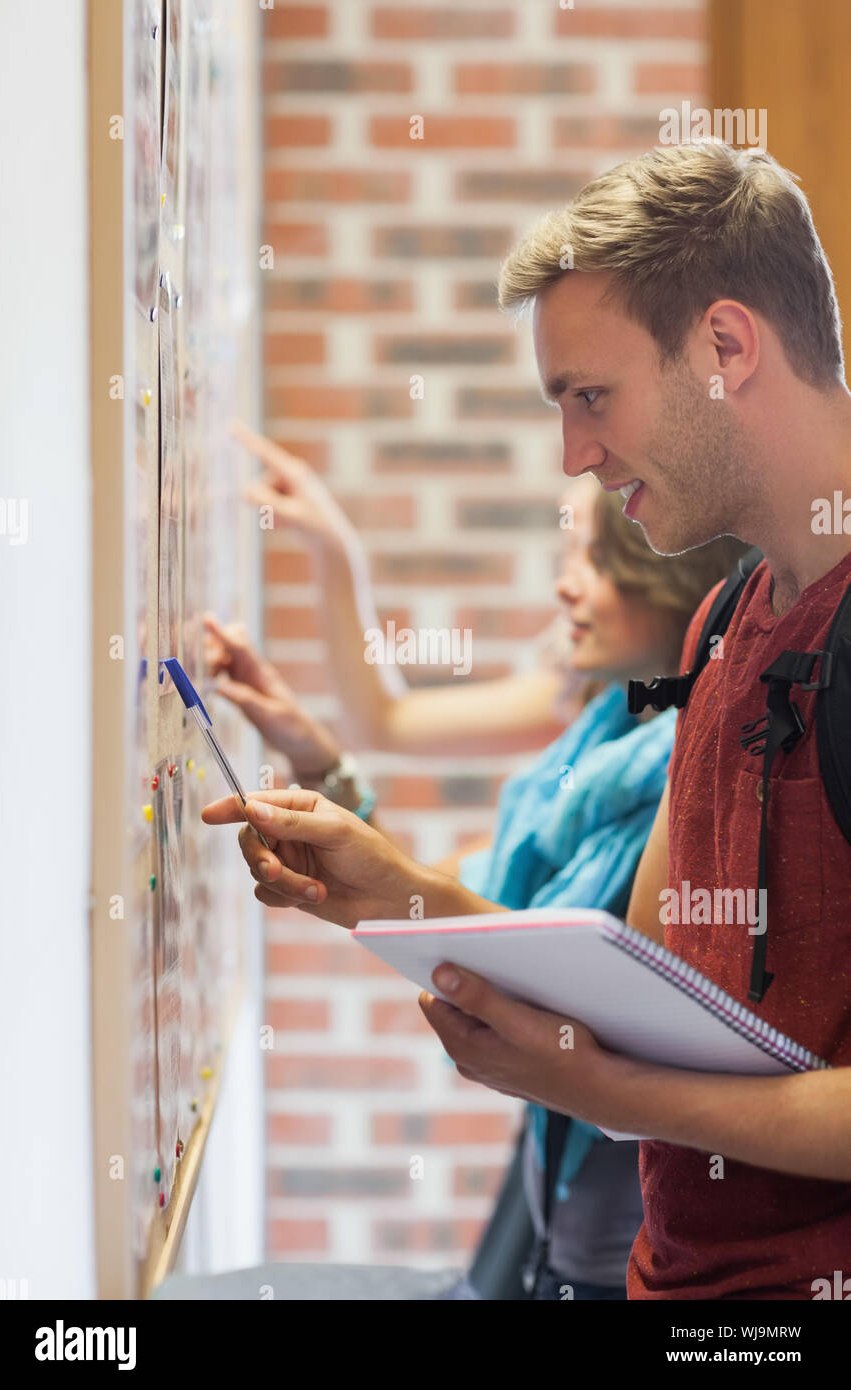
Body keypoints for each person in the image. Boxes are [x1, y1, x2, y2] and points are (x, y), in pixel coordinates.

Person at [203, 138, 851, 1301]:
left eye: (589, 396)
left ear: (722, 348)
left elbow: (627, 1064)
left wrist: (599, 1092)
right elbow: (648, 979)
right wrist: (392, 890)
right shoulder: (719, 625)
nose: (574, 453)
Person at [205, 474, 743, 1298]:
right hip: (549, 1237)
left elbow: (461, 921)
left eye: (592, 559)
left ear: (671, 578)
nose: (565, 583)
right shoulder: (608, 726)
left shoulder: (690, 770)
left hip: (610, 1258)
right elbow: (431, 891)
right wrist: (319, 764)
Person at [229, 419, 578, 759]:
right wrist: (333, 549)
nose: (565, 587)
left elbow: (381, 725)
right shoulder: (583, 691)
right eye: (570, 555)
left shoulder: (592, 692)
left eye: (593, 554)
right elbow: (381, 723)